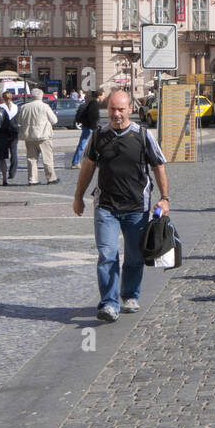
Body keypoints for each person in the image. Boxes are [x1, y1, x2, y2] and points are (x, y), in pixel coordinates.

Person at [72, 89, 169, 322]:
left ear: (130, 109)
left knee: (134, 256)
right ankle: (109, 303)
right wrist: (78, 197)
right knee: (107, 254)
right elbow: (88, 167)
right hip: (106, 206)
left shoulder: (143, 136)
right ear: (107, 109)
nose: (116, 114)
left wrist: (165, 198)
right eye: (113, 109)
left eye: (121, 109)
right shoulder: (98, 136)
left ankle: (130, 295)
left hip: (137, 207)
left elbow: (158, 166)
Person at [17, 88, 59, 185]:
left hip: (29, 136)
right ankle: (51, 178)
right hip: (43, 136)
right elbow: (54, 120)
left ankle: (32, 179)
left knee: (31, 159)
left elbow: (19, 121)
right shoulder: (45, 107)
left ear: (31, 96)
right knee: (47, 158)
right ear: (41, 96)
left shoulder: (24, 107)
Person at [71, 88, 102, 169]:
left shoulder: (90, 103)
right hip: (89, 127)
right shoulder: (94, 103)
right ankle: (76, 162)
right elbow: (93, 116)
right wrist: (95, 126)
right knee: (83, 144)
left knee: (85, 144)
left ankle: (76, 161)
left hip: (87, 126)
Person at [0, 91, 21, 184]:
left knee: (1, 154)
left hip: (4, 132)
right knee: (13, 152)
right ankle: (12, 172)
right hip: (14, 132)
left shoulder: (1, 107)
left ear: (3, 98)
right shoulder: (17, 107)